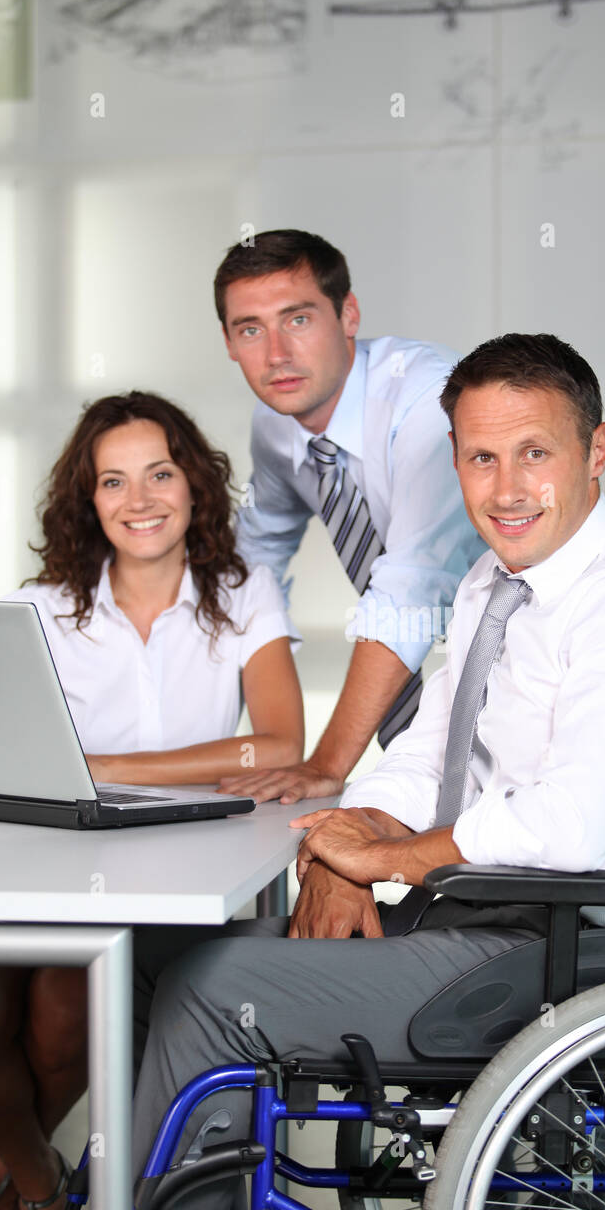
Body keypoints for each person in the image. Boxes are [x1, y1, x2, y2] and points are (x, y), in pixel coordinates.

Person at [130, 332, 605, 1210]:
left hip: (552, 951)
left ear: (595, 452)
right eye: (480, 457)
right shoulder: (498, 580)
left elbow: (566, 827)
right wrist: (338, 846)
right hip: (467, 915)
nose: (505, 486)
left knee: (211, 994)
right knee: (153, 964)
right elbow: (424, 752)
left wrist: (393, 859)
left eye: (536, 453)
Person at [0, 391, 304, 1210]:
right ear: (89, 498)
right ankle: (43, 1184)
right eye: (113, 480)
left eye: (159, 472)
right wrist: (171, 762)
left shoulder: (241, 593)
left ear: (193, 484)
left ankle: (14, 1183)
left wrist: (103, 766)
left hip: (169, 878)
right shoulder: (36, 609)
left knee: (60, 1015)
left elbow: (277, 742)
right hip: (32, 866)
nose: (140, 498)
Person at [214, 229, 485, 805]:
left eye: (299, 319)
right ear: (229, 342)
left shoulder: (427, 399)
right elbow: (254, 556)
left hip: (521, 659)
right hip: (437, 697)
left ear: (348, 314)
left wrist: (327, 763)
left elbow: (411, 590)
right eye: (251, 329)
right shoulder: (276, 421)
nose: (277, 354)